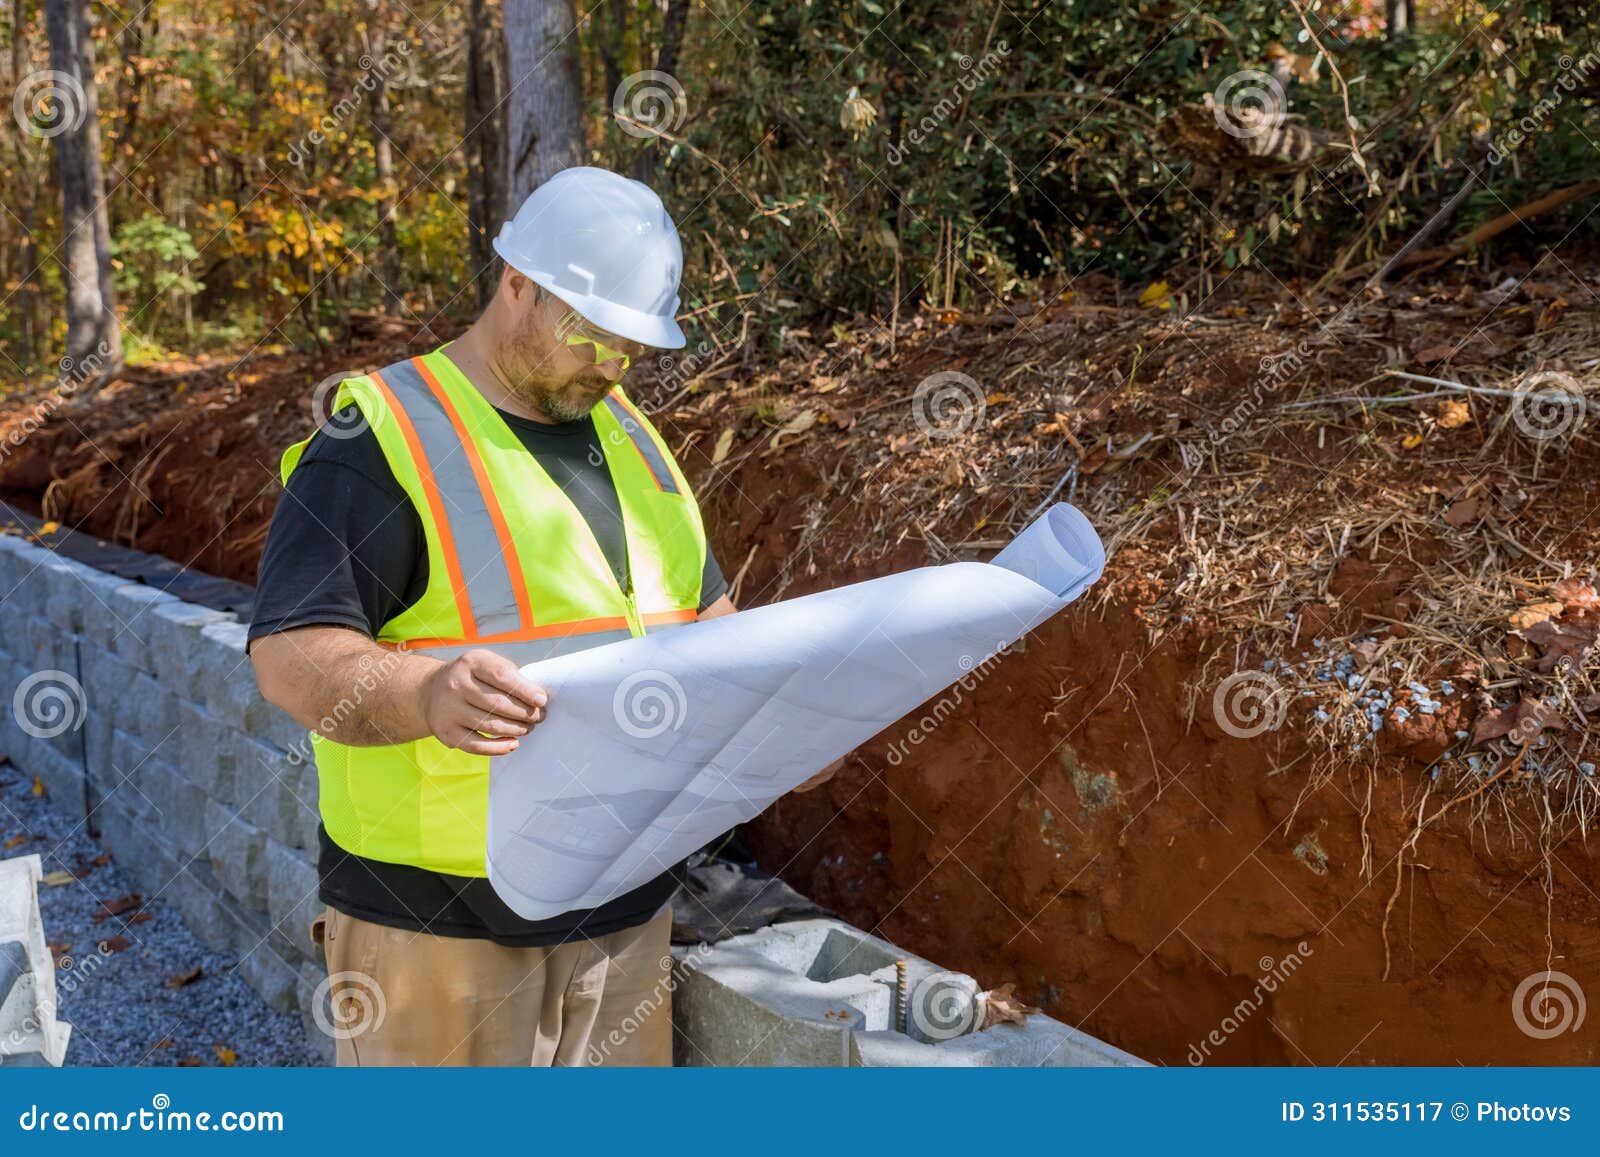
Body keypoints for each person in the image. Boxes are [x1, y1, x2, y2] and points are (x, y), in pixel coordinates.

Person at [248, 166, 831, 1066]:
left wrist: (796, 717)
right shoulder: (379, 437)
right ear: (516, 283)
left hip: (625, 915)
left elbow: (709, 628)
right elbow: (290, 655)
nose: (610, 364)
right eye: (591, 333)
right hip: (442, 931)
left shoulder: (630, 436)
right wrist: (426, 692)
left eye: (630, 346)